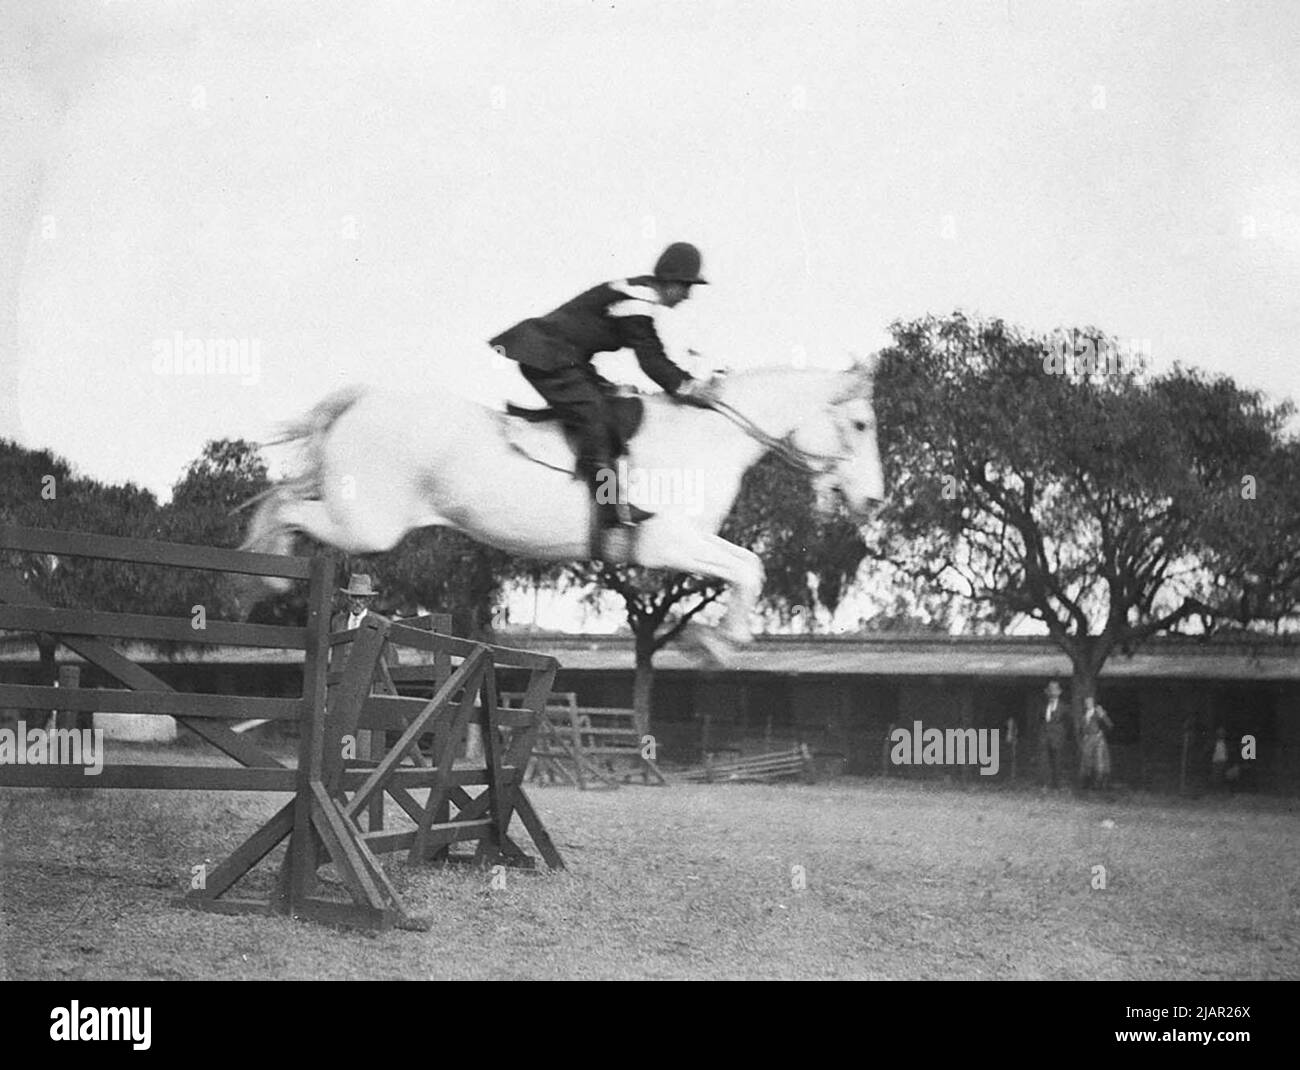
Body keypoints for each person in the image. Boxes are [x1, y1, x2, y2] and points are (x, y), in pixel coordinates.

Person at [489, 242, 720, 533]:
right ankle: (609, 507)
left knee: (610, 404)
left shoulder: (639, 293)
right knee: (595, 415)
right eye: (686, 286)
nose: (688, 295)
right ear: (670, 281)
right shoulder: (638, 298)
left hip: (565, 357)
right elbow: (650, 358)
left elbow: (652, 355)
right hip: (548, 356)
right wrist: (688, 387)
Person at [1079, 696, 1114, 790]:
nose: (1087, 704)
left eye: (1089, 702)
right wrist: (1084, 735)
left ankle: (1099, 785)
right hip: (1087, 740)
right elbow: (1082, 728)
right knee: (1086, 762)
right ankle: (1087, 784)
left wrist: (1101, 731)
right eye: (1086, 702)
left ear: (1093, 703)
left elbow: (1109, 725)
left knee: (1099, 762)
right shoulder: (1084, 714)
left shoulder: (1098, 712)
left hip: (1098, 741)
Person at [1040, 680, 1069, 791]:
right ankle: (1046, 784)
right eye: (1050, 690)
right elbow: (1040, 720)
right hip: (1045, 738)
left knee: (1057, 761)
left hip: (1057, 738)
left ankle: (1057, 785)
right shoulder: (1043, 706)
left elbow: (1067, 723)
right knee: (1045, 761)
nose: (1052, 693)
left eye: (1054, 690)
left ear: (1059, 692)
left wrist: (1061, 734)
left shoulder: (1064, 707)